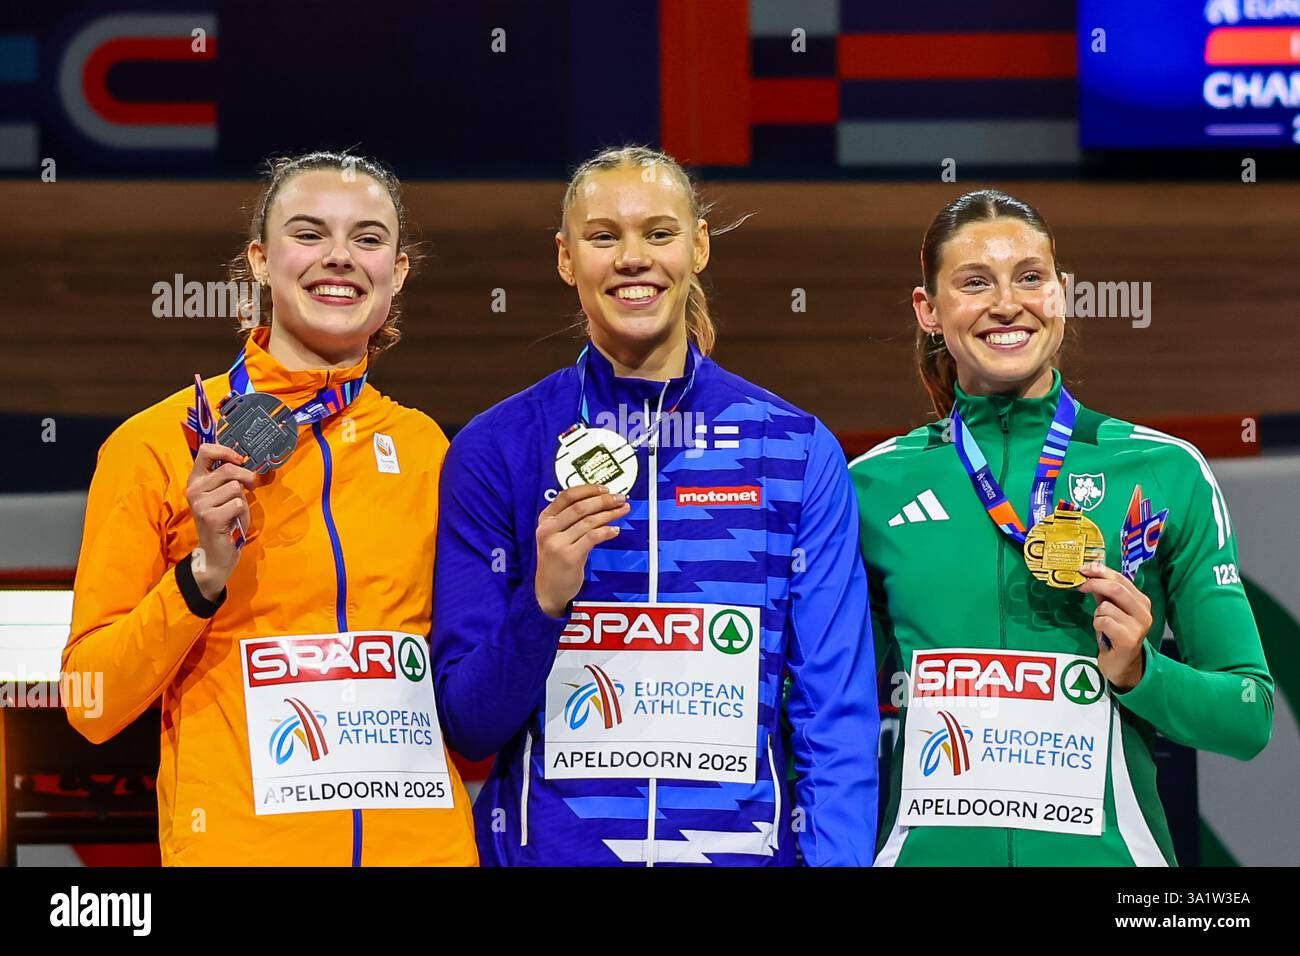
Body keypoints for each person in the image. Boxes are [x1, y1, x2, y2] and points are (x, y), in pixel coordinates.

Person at [431, 145, 878, 866]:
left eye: (659, 233)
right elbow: (469, 723)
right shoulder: (498, 449)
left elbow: (835, 714)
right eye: (603, 236)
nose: (632, 257)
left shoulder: (792, 450)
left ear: (698, 247)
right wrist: (542, 602)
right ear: (566, 258)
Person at [63, 151, 478, 866]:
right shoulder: (158, 445)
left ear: (398, 272)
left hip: (424, 851)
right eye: (309, 234)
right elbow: (91, 704)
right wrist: (201, 576)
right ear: (260, 259)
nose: (340, 258)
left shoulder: (425, 448)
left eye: (368, 238)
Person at [851, 189, 1273, 866]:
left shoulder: (1164, 472)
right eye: (974, 283)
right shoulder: (872, 486)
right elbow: (821, 704)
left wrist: (1142, 671)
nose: (1007, 303)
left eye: (1030, 277)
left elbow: (1249, 714)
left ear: (1063, 293)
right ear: (928, 311)